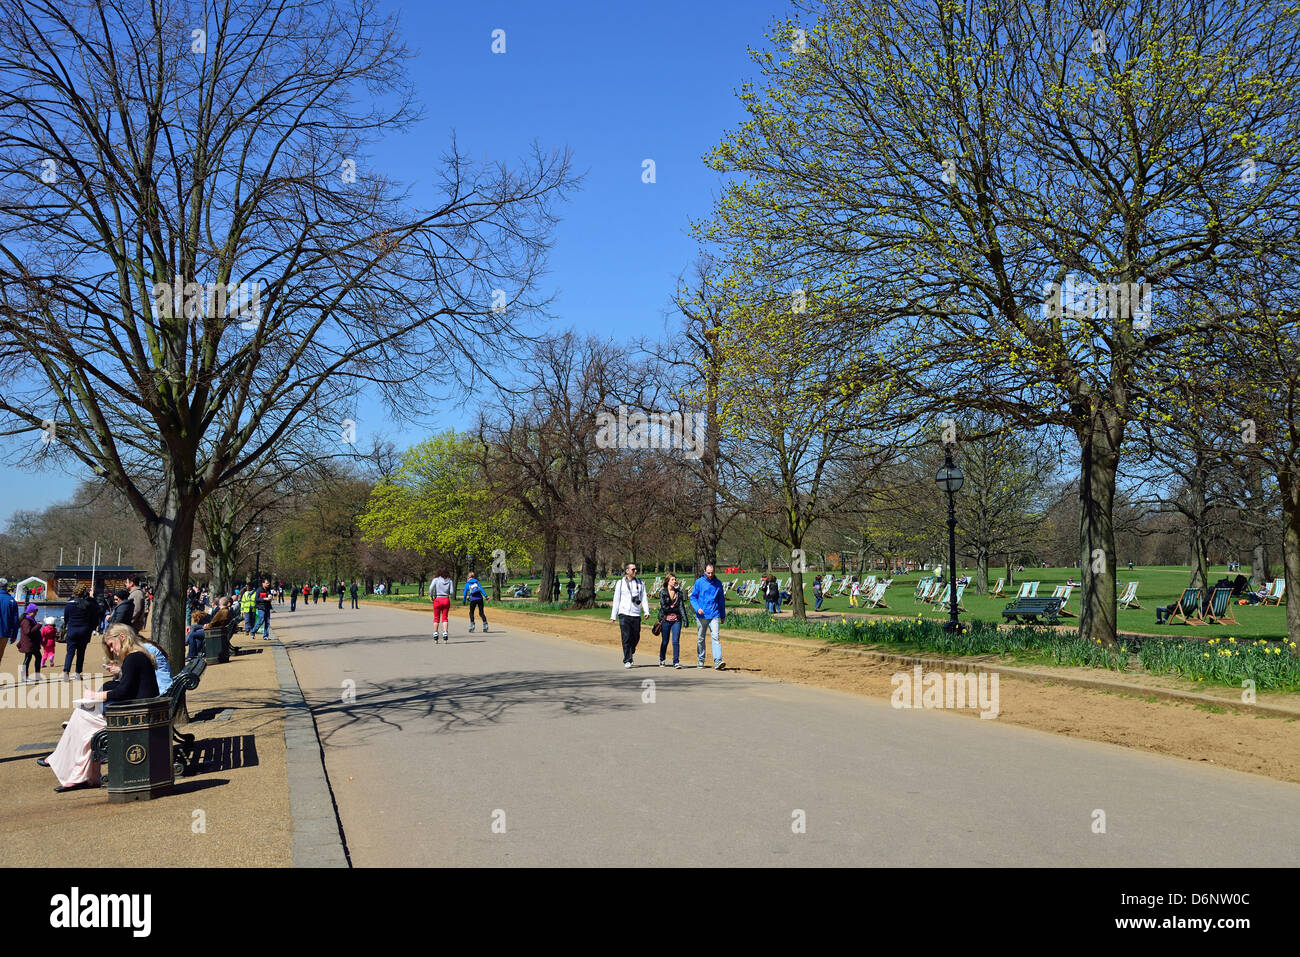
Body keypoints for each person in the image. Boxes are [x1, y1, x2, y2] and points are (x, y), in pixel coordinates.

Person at [41, 624, 160, 792]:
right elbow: (131, 686)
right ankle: (84, 775)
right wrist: (120, 672)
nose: (112, 650)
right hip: (142, 709)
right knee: (82, 718)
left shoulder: (133, 658)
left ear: (123, 637)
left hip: (135, 714)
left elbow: (124, 691)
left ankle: (82, 775)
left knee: (81, 717)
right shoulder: (138, 656)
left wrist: (95, 696)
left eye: (112, 645)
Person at [610, 563, 650, 668]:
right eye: (633, 569)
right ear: (627, 571)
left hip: (636, 613)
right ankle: (627, 659)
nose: (635, 571)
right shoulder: (620, 583)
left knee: (636, 636)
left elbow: (644, 598)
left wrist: (646, 611)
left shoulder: (640, 583)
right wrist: (613, 615)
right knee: (626, 637)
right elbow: (616, 599)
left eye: (636, 569)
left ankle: (631, 650)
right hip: (624, 614)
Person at [689, 563, 726, 670]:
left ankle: (718, 661)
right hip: (701, 615)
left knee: (715, 637)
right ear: (704, 571)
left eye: (712, 572)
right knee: (701, 638)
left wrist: (722, 615)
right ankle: (701, 659)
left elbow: (721, 600)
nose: (710, 574)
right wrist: (697, 608)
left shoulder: (718, 583)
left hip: (714, 615)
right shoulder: (699, 582)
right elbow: (693, 598)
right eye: (708, 572)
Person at [61, 584, 98, 680]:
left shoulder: (69, 604)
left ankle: (66, 672)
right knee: (81, 653)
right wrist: (92, 597)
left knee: (70, 652)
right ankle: (77, 673)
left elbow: (66, 618)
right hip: (84, 631)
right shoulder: (88, 604)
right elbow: (96, 611)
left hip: (72, 630)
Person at [657, 573, 691, 668]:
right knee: (665, 641)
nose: (675, 581)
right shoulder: (662, 592)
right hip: (665, 620)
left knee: (676, 641)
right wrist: (675, 610)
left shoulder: (679, 593)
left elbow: (681, 607)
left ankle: (676, 662)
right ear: (668, 581)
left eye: (675, 579)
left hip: (677, 620)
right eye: (672, 579)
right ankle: (662, 659)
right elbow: (664, 607)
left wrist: (685, 620)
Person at [17, 603, 42, 680]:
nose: (35, 614)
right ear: (29, 612)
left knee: (37, 657)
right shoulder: (26, 620)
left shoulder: (30, 619)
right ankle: (24, 676)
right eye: (34, 612)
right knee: (28, 658)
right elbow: (28, 632)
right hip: (29, 643)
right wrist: (38, 625)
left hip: (33, 643)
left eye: (36, 612)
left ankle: (37, 675)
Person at [430, 568, 454, 642]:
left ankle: (435, 633)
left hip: (437, 600)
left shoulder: (436, 580)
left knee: (436, 617)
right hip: (446, 599)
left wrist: (431, 596)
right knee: (445, 617)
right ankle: (445, 633)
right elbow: (452, 591)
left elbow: (431, 588)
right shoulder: (450, 580)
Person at [0, 578, 17, 671]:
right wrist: (14, 634)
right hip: (4, 632)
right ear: (6, 587)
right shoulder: (11, 600)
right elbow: (15, 620)